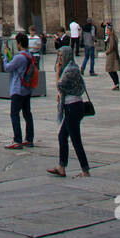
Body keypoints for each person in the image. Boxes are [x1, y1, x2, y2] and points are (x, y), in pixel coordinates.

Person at [47, 46, 90, 178]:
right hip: (71, 106)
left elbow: (59, 85)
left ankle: (85, 170)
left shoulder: (71, 70)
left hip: (73, 107)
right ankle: (61, 167)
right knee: (62, 136)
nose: (59, 59)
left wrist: (57, 73)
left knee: (76, 140)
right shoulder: (70, 68)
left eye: (61, 56)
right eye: (58, 56)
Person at [4, 31, 37, 149]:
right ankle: (29, 139)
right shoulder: (29, 56)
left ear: (19, 43)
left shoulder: (19, 57)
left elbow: (7, 68)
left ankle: (17, 140)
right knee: (27, 114)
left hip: (18, 89)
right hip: (27, 89)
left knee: (14, 114)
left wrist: (5, 56)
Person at [104, 22, 120, 90]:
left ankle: (116, 84)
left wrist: (107, 52)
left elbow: (111, 47)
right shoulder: (112, 37)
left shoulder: (112, 37)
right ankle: (116, 84)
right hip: (112, 55)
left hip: (111, 56)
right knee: (112, 70)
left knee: (111, 70)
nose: (106, 32)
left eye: (107, 30)